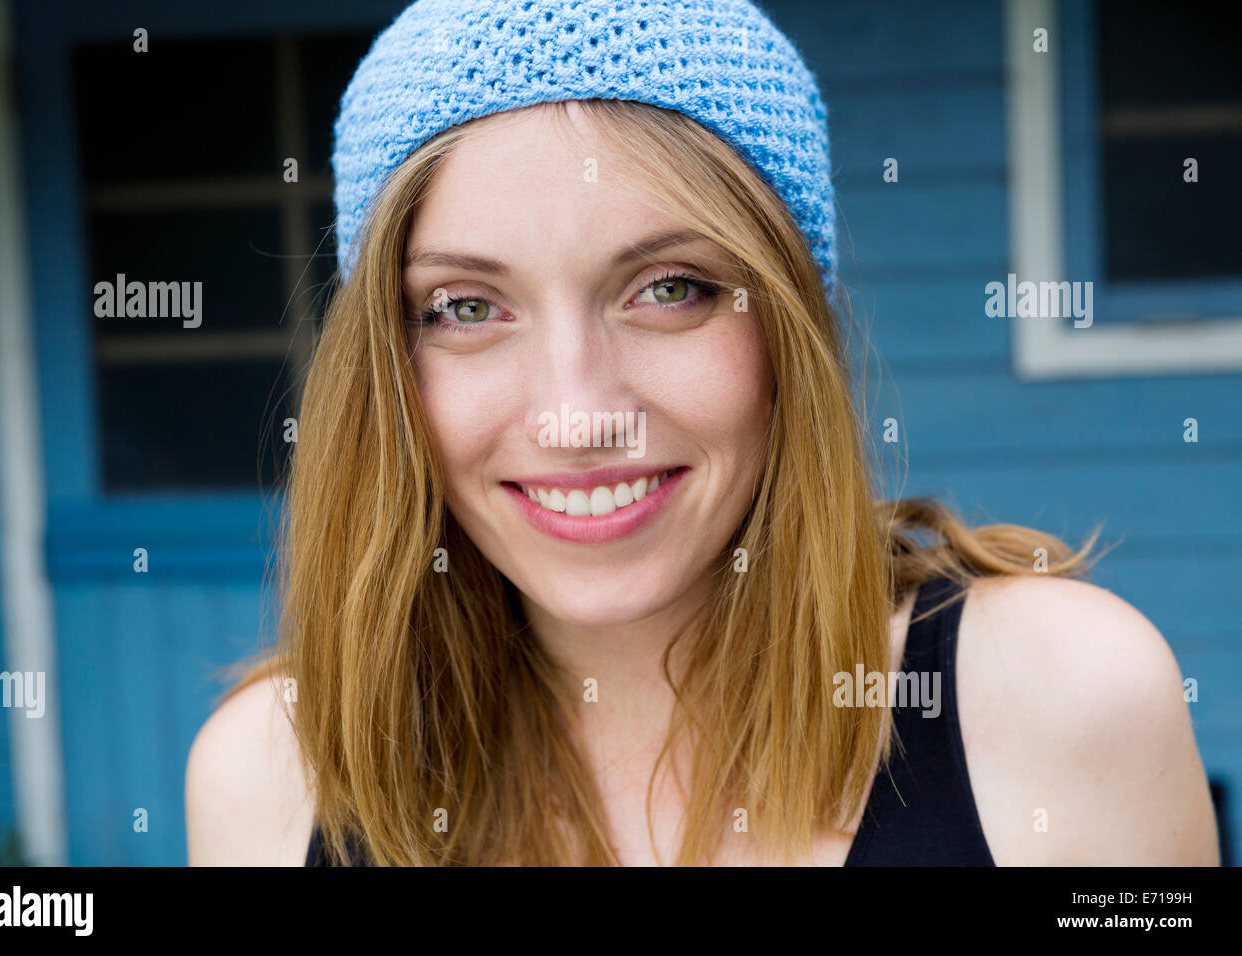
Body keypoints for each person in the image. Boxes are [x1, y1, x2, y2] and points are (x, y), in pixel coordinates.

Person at [185, 0, 1219, 866]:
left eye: (669, 289)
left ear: (787, 328)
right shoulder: (269, 778)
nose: (574, 412)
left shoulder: (1057, 699)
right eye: (465, 306)